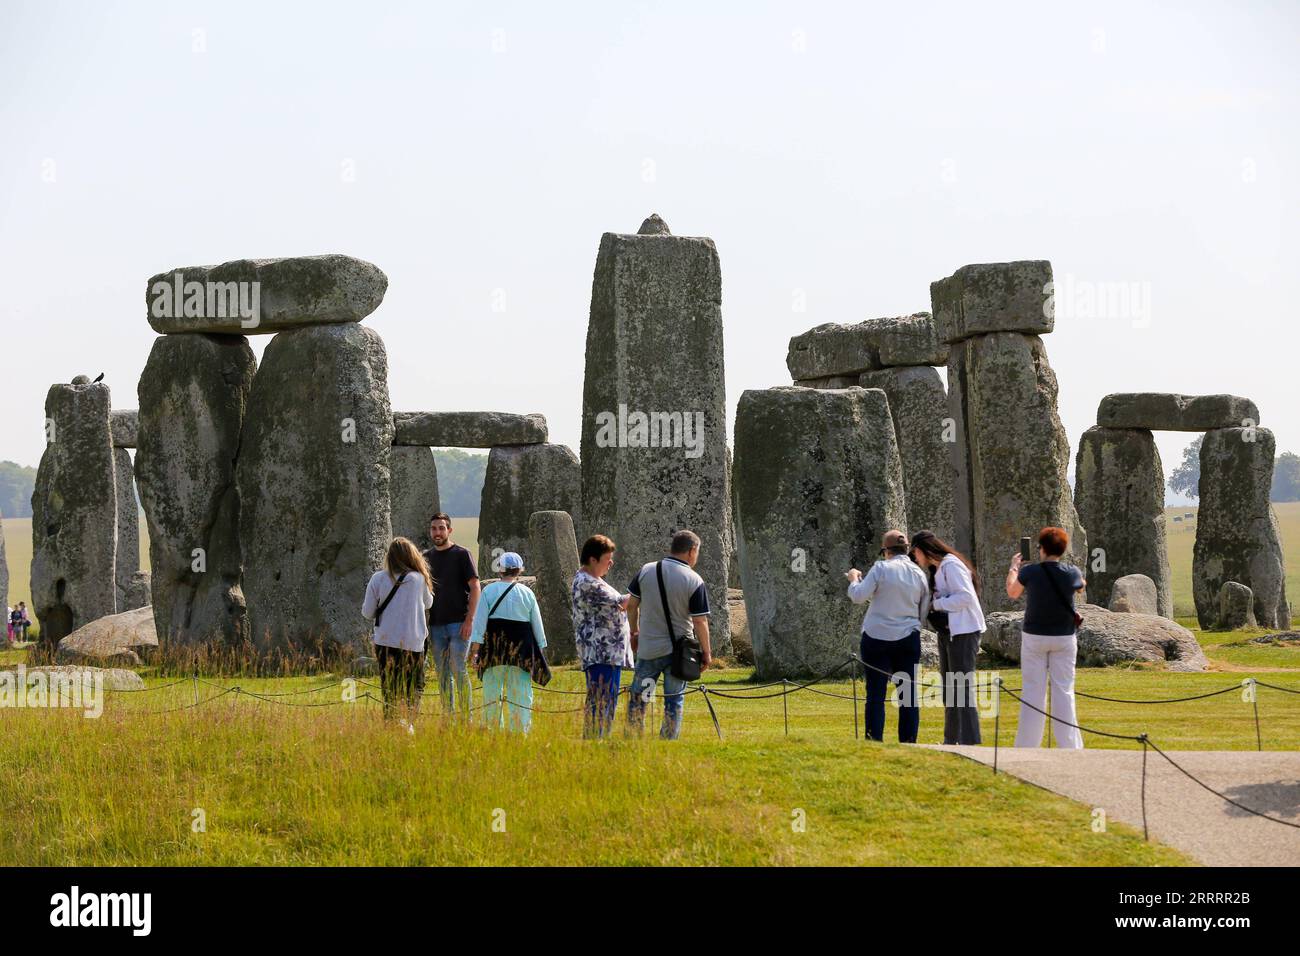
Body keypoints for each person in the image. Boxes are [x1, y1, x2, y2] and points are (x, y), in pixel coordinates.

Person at [625, 529, 712, 740]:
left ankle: (633, 740)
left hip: (649, 649)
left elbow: (632, 606)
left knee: (641, 698)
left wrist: (634, 633)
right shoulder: (694, 579)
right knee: (673, 700)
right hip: (678, 653)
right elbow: (699, 621)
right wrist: (706, 652)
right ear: (692, 551)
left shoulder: (646, 570)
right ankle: (667, 741)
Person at [1005, 526, 1086, 749]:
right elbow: (1080, 587)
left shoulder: (1030, 572)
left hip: (1035, 635)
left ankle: (1027, 745)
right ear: (1063, 549)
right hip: (1064, 636)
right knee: (1064, 691)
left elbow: (1012, 592)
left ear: (1041, 548)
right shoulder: (1071, 572)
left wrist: (1014, 567)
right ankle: (1070, 746)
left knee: (1033, 691)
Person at [848, 529, 930, 743]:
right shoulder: (918, 573)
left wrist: (854, 579)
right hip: (907, 637)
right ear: (907, 549)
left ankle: (874, 739)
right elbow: (923, 609)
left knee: (875, 694)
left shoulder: (880, 568)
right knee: (908, 695)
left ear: (886, 551)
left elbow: (858, 596)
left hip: (876, 636)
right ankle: (909, 742)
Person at [911, 530, 985, 745]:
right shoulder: (939, 568)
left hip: (963, 632)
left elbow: (966, 597)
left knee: (961, 688)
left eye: (915, 553)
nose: (915, 558)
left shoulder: (951, 565)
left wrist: (936, 604)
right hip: (948, 633)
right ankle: (951, 740)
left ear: (923, 550)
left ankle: (970, 741)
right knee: (950, 690)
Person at [469, 552, 547, 733]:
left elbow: (480, 624)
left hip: (494, 649)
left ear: (500, 570)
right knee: (521, 694)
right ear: (519, 571)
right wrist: (540, 651)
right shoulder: (527, 593)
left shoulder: (488, 591)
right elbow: (537, 625)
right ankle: (520, 732)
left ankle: (493, 731)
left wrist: (475, 651)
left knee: (491, 693)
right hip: (521, 650)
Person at [362, 537, 435, 722]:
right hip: (414, 641)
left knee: (390, 687)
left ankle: (391, 722)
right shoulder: (419, 579)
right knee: (414, 685)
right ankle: (409, 722)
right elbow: (429, 603)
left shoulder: (377, 578)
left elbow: (367, 612)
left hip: (386, 641)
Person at [571, 534, 633, 739]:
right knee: (601, 701)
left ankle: (598, 739)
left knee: (606, 701)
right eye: (607, 559)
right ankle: (595, 740)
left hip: (607, 652)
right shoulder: (587, 583)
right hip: (601, 653)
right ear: (593, 559)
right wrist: (642, 587)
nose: (611, 563)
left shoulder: (593, 580)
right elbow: (623, 602)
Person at [422, 513, 480, 718]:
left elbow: (475, 587)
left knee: (458, 668)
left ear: (449, 530)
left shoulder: (462, 554)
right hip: (436, 624)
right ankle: (448, 717)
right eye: (434, 529)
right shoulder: (425, 558)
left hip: (459, 622)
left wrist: (470, 620)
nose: (437, 532)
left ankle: (466, 717)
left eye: (441, 528)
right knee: (442, 673)